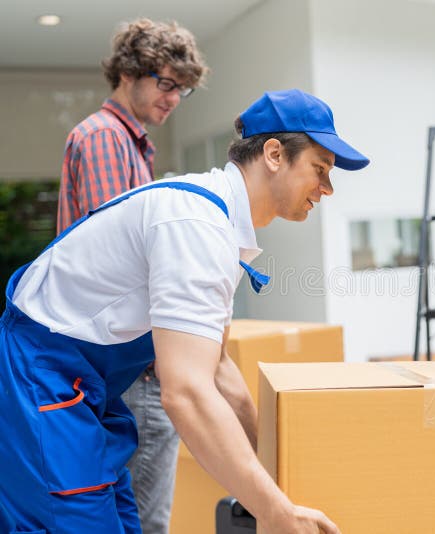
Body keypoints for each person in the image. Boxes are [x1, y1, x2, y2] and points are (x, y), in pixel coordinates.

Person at [0, 88, 367, 533]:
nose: (327, 188)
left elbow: (217, 368)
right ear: (274, 154)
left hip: (90, 384)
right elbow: (186, 393)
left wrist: (272, 478)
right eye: (320, 169)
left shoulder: (221, 224)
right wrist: (274, 511)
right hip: (41, 377)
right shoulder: (196, 226)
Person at [56, 18, 208, 533]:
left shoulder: (129, 145)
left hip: (122, 366)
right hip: (130, 370)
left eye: (182, 89)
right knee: (143, 523)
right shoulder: (105, 140)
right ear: (128, 72)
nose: (174, 99)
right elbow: (114, 264)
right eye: (166, 84)